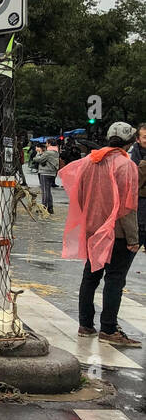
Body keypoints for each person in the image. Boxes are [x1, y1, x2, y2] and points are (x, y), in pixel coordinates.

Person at [62, 121, 142, 348]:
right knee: (115, 279)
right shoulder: (126, 166)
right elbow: (128, 207)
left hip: (93, 229)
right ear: (129, 142)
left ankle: (85, 324)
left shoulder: (90, 162)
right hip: (116, 232)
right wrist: (133, 238)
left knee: (91, 275)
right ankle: (108, 328)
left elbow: (77, 193)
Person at [33, 141, 60, 215]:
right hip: (52, 174)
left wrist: (38, 152)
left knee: (45, 191)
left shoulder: (48, 153)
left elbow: (38, 159)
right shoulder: (56, 152)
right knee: (48, 191)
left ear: (50, 144)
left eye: (47, 143)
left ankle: (43, 208)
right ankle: (50, 208)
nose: (46, 144)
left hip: (45, 173)